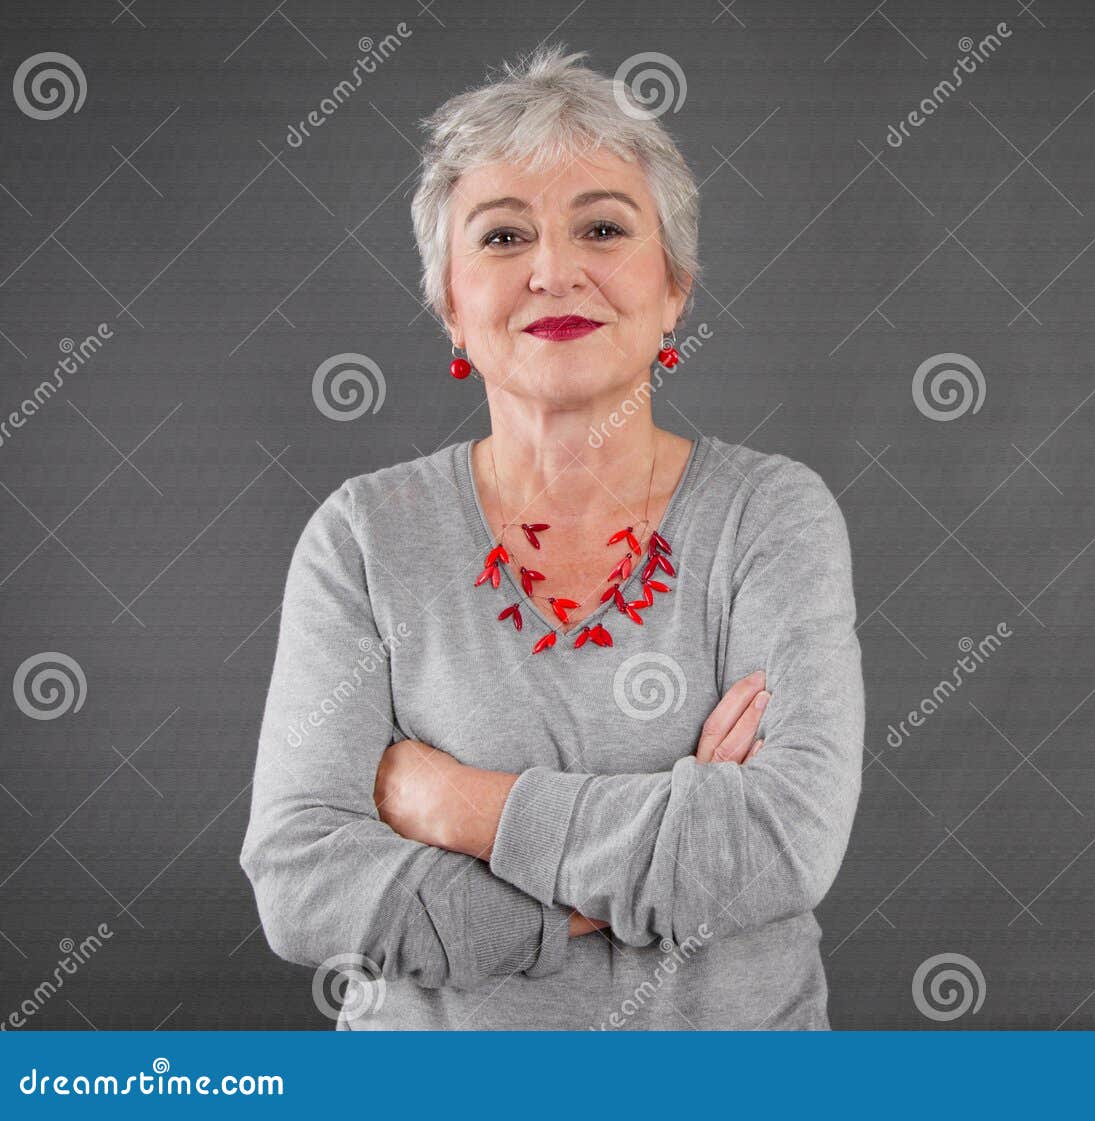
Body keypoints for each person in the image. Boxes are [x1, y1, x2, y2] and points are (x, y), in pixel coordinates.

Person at [239, 44, 865, 1030]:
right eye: (501, 237)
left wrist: (457, 806)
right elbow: (300, 879)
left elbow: (782, 845)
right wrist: (646, 868)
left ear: (674, 288)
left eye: (603, 227)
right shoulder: (362, 537)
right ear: (448, 299)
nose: (553, 270)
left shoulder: (771, 515)